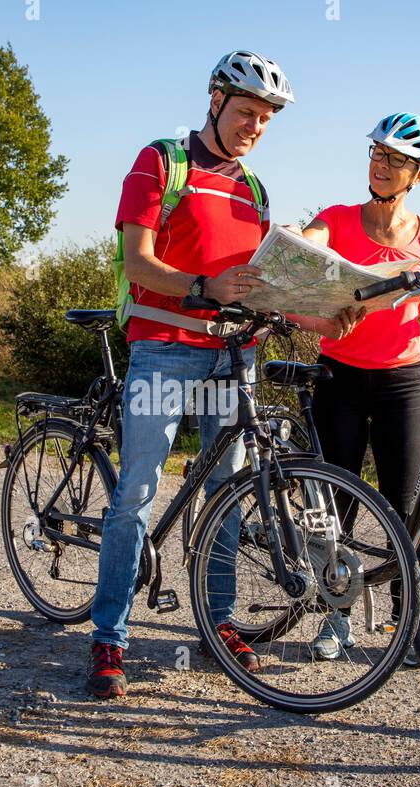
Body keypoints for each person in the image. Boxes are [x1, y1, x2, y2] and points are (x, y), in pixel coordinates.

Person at [87, 51, 307, 698]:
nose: (255, 127)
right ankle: (109, 636)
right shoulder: (162, 162)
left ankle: (217, 623)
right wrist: (203, 285)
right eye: (246, 113)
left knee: (230, 493)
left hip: (233, 353)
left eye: (265, 119)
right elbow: (139, 263)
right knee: (137, 494)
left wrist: (310, 308)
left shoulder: (254, 190)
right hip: (163, 348)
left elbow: (256, 280)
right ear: (215, 100)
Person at [294, 112, 420, 660]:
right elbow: (309, 249)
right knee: (334, 505)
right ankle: (335, 618)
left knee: (402, 506)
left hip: (403, 382)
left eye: (396, 160)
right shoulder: (337, 218)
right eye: (376, 155)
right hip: (339, 377)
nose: (381, 166)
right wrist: (296, 239)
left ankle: (406, 623)